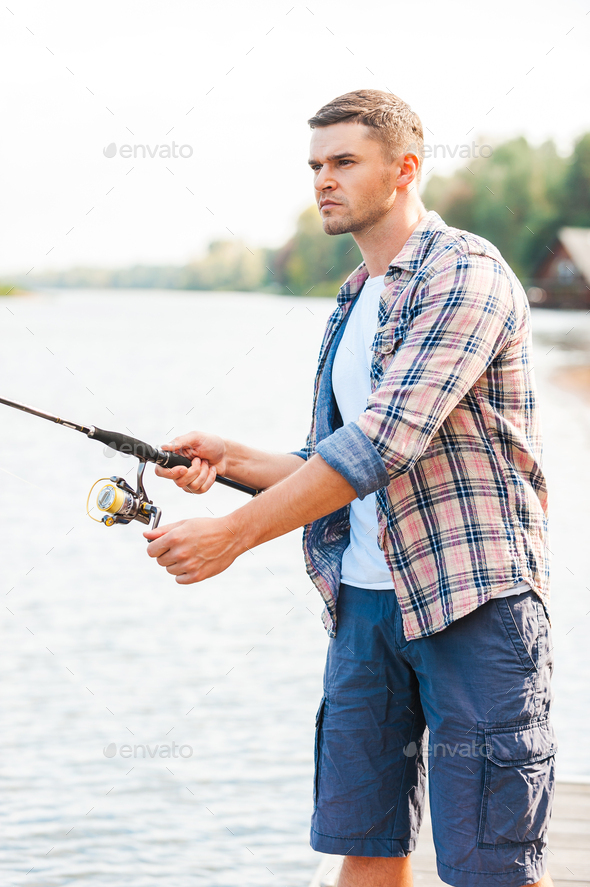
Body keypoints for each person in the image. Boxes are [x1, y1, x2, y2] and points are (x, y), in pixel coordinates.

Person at [144, 90, 555, 887]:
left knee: (491, 864)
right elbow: (326, 460)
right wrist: (228, 456)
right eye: (314, 166)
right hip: (367, 607)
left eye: (342, 162)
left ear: (404, 170)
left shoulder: (466, 274)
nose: (322, 181)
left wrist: (234, 533)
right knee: (366, 842)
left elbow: (381, 446)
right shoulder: (356, 295)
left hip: (475, 605)